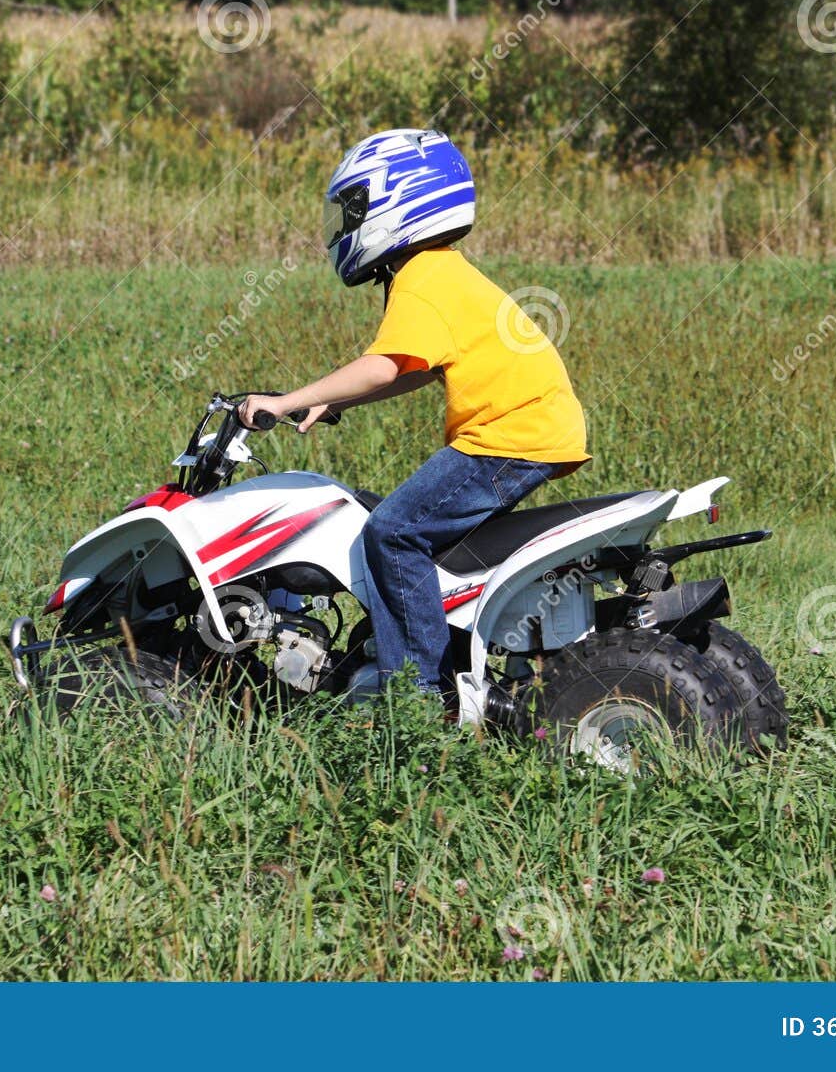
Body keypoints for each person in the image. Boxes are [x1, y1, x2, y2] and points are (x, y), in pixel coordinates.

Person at [239, 128, 588, 697]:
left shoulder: (421, 277)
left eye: (354, 209)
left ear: (399, 199)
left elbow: (382, 366)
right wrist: (334, 398)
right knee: (416, 534)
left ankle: (417, 695)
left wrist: (284, 401)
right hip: (528, 429)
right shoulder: (439, 269)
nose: (345, 226)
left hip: (508, 437)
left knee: (393, 533)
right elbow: (415, 366)